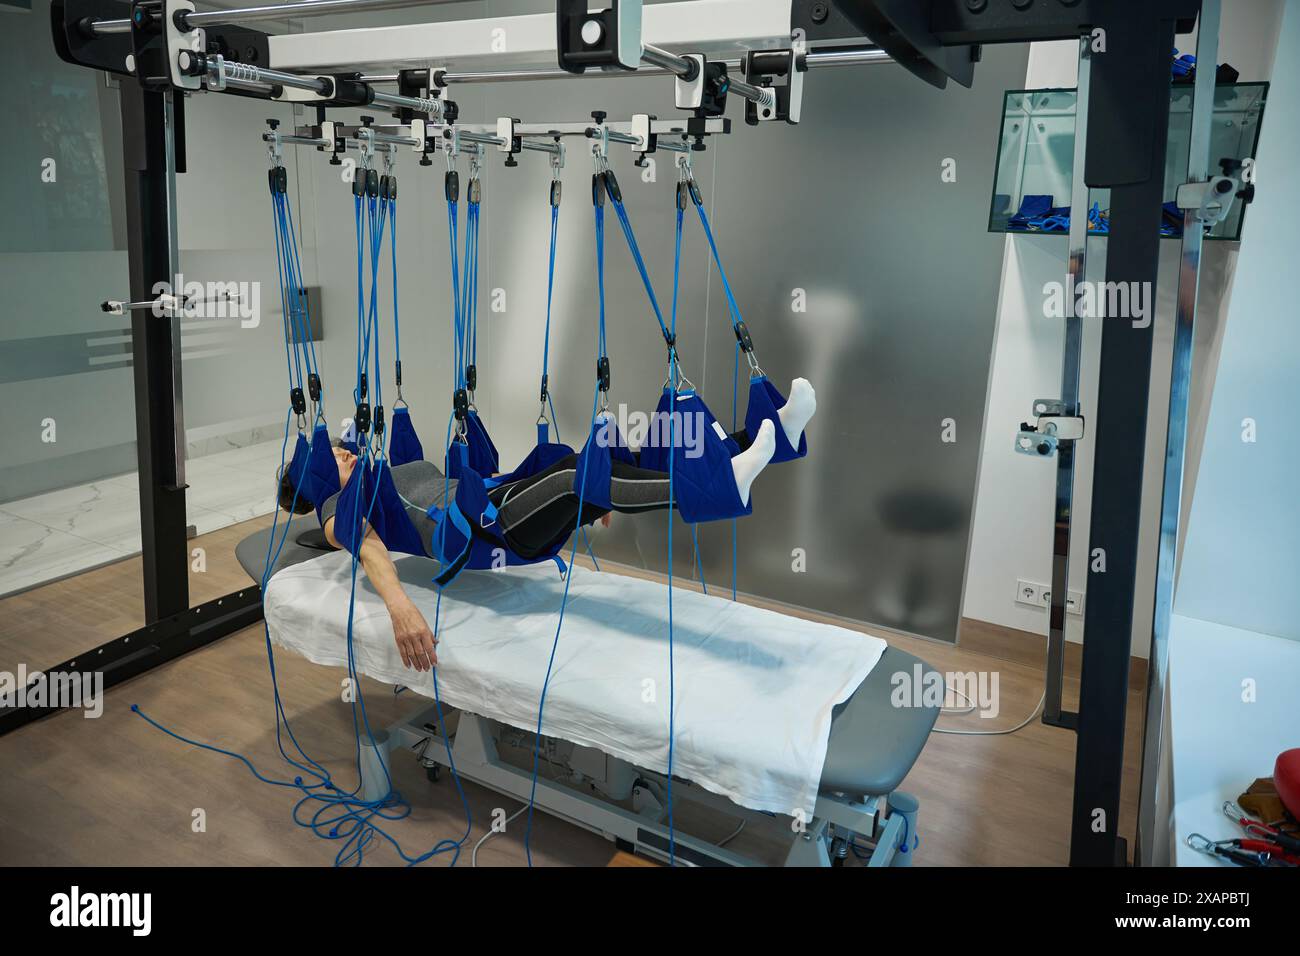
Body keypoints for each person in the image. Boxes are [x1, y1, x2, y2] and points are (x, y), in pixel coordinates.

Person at [278, 379, 817, 672]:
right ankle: (720, 485)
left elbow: (465, 479)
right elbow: (367, 546)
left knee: (610, 462)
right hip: (487, 534)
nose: (343, 453)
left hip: (499, 499)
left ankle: (760, 440)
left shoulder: (388, 468)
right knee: (570, 478)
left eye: (339, 448)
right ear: (317, 479)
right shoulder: (336, 512)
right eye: (332, 458)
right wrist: (401, 609)